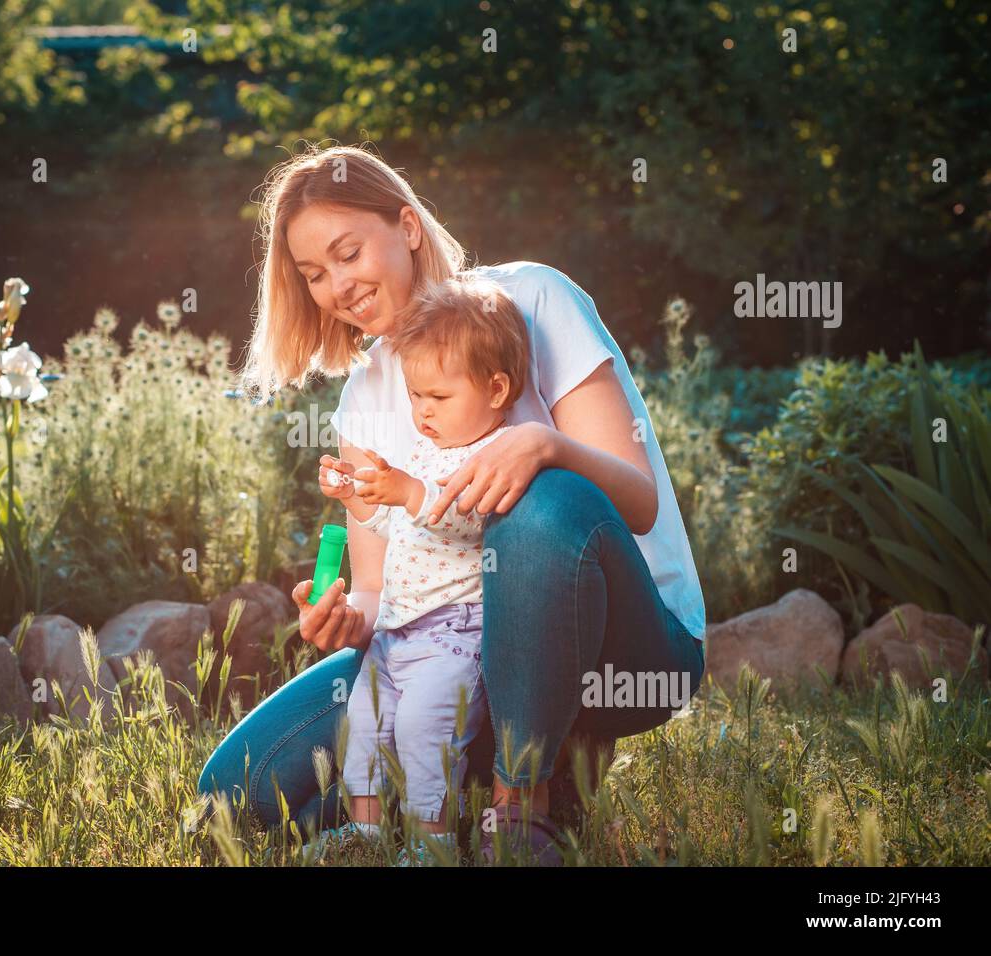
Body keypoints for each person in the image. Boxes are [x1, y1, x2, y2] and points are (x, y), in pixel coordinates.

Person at [199, 143, 706, 864]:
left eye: (348, 253)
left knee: (541, 498)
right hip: (435, 649)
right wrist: (346, 617)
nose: (337, 285)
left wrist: (544, 445)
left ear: (407, 225)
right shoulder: (360, 403)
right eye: (314, 274)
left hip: (623, 649)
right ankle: (422, 798)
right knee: (232, 789)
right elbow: (378, 595)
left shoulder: (534, 298)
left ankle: (518, 816)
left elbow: (640, 502)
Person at [319, 274, 527, 861]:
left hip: (453, 634)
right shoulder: (421, 451)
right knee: (361, 726)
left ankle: (431, 844)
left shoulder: (496, 454)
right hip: (393, 631)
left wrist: (408, 490)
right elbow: (396, 528)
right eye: (414, 396)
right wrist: (358, 498)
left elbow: (466, 518)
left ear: (495, 388)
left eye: (438, 398)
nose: (422, 411)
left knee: (423, 735)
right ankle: (362, 832)